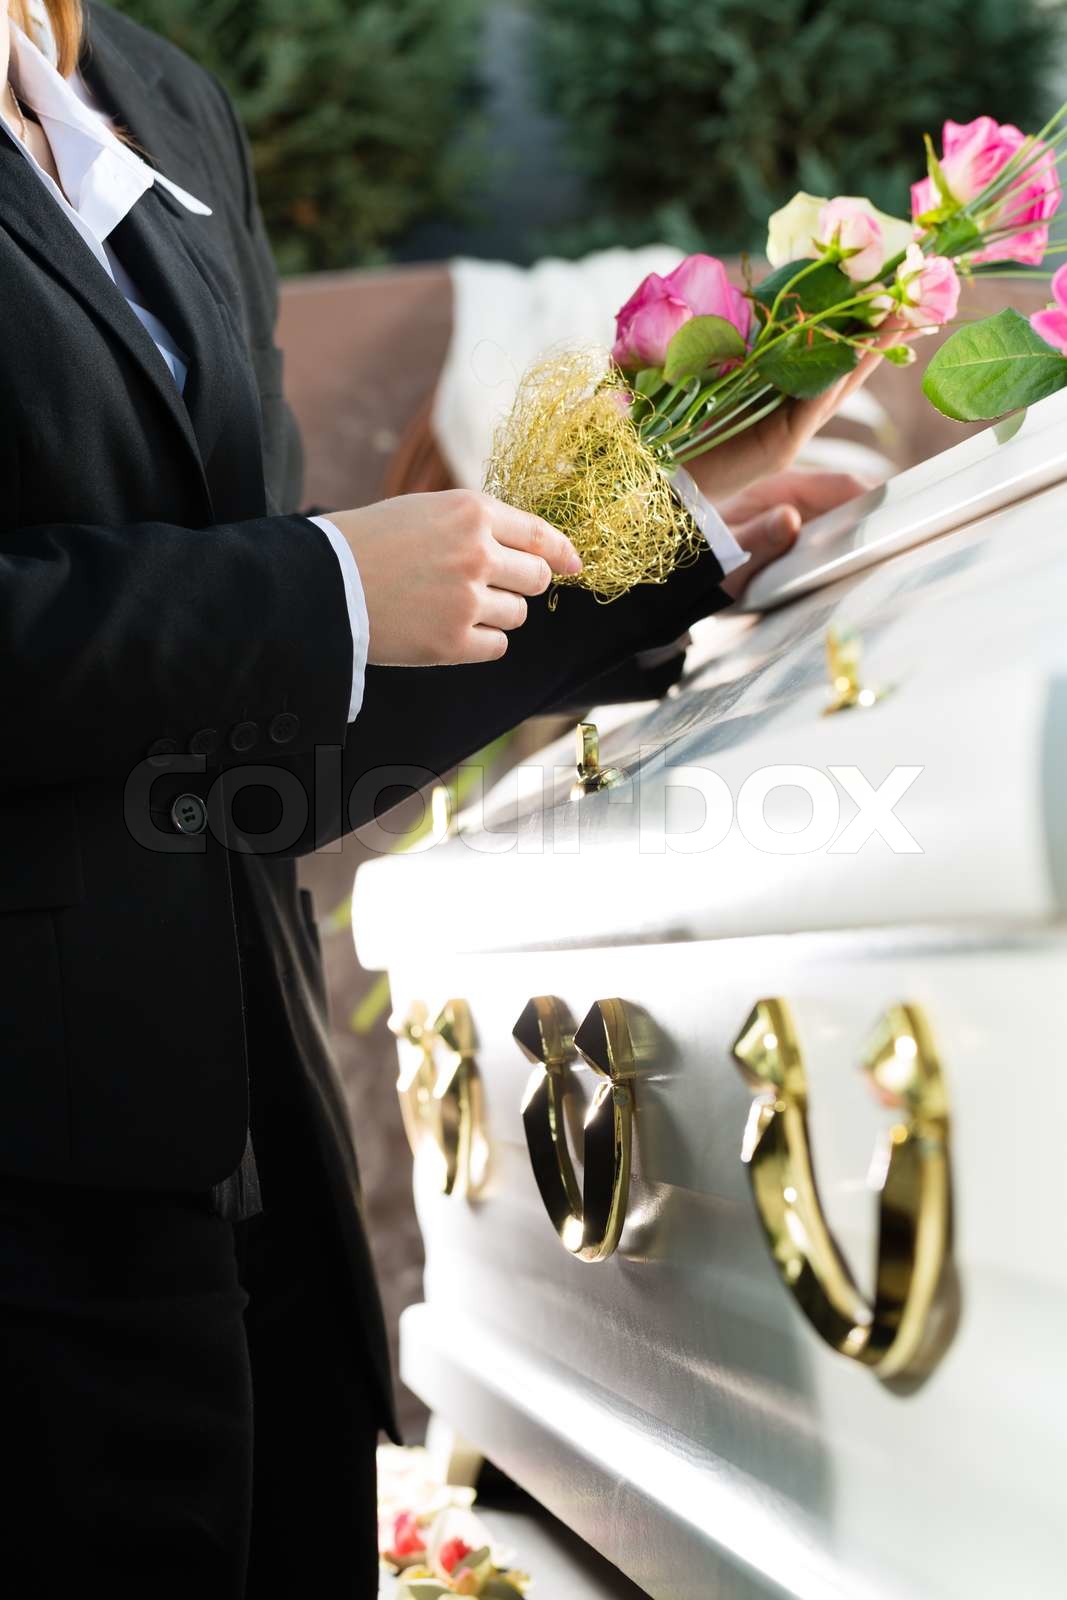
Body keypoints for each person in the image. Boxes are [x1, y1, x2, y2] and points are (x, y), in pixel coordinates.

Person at [0, 0, 878, 1591]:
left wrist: (668, 540)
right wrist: (316, 582)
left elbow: (241, 755)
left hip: (244, 1167)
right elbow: (283, 607)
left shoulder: (152, 93)